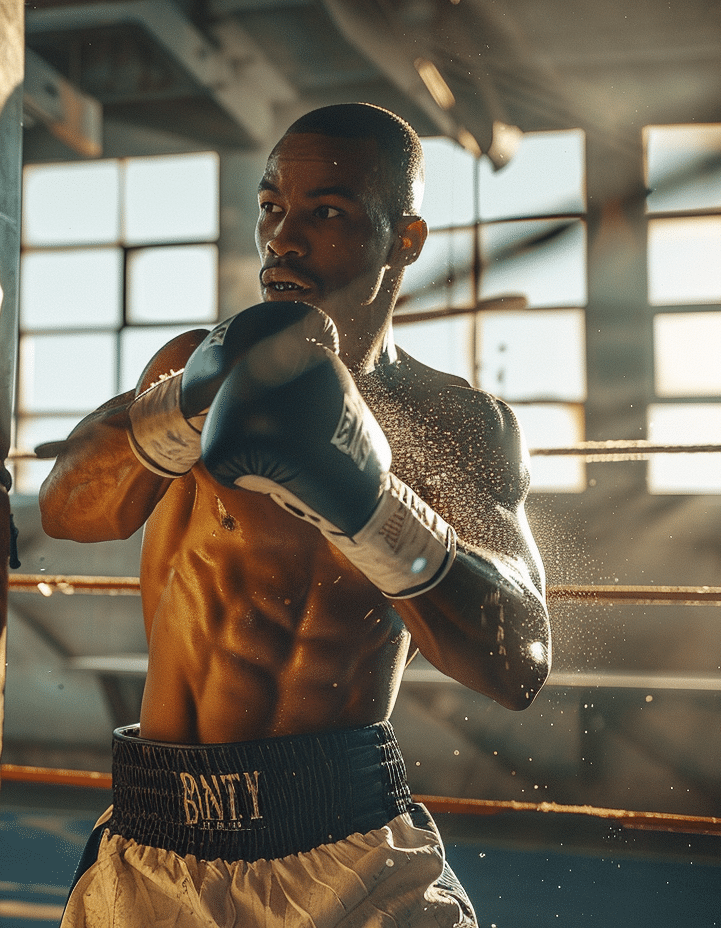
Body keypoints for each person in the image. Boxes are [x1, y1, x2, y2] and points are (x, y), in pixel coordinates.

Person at [39, 102, 550, 928]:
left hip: (349, 846)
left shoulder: (457, 428)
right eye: (273, 208)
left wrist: (370, 504)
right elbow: (66, 508)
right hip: (158, 847)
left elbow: (520, 659)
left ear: (405, 241)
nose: (284, 238)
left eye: (329, 212)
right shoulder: (198, 364)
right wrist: (184, 409)